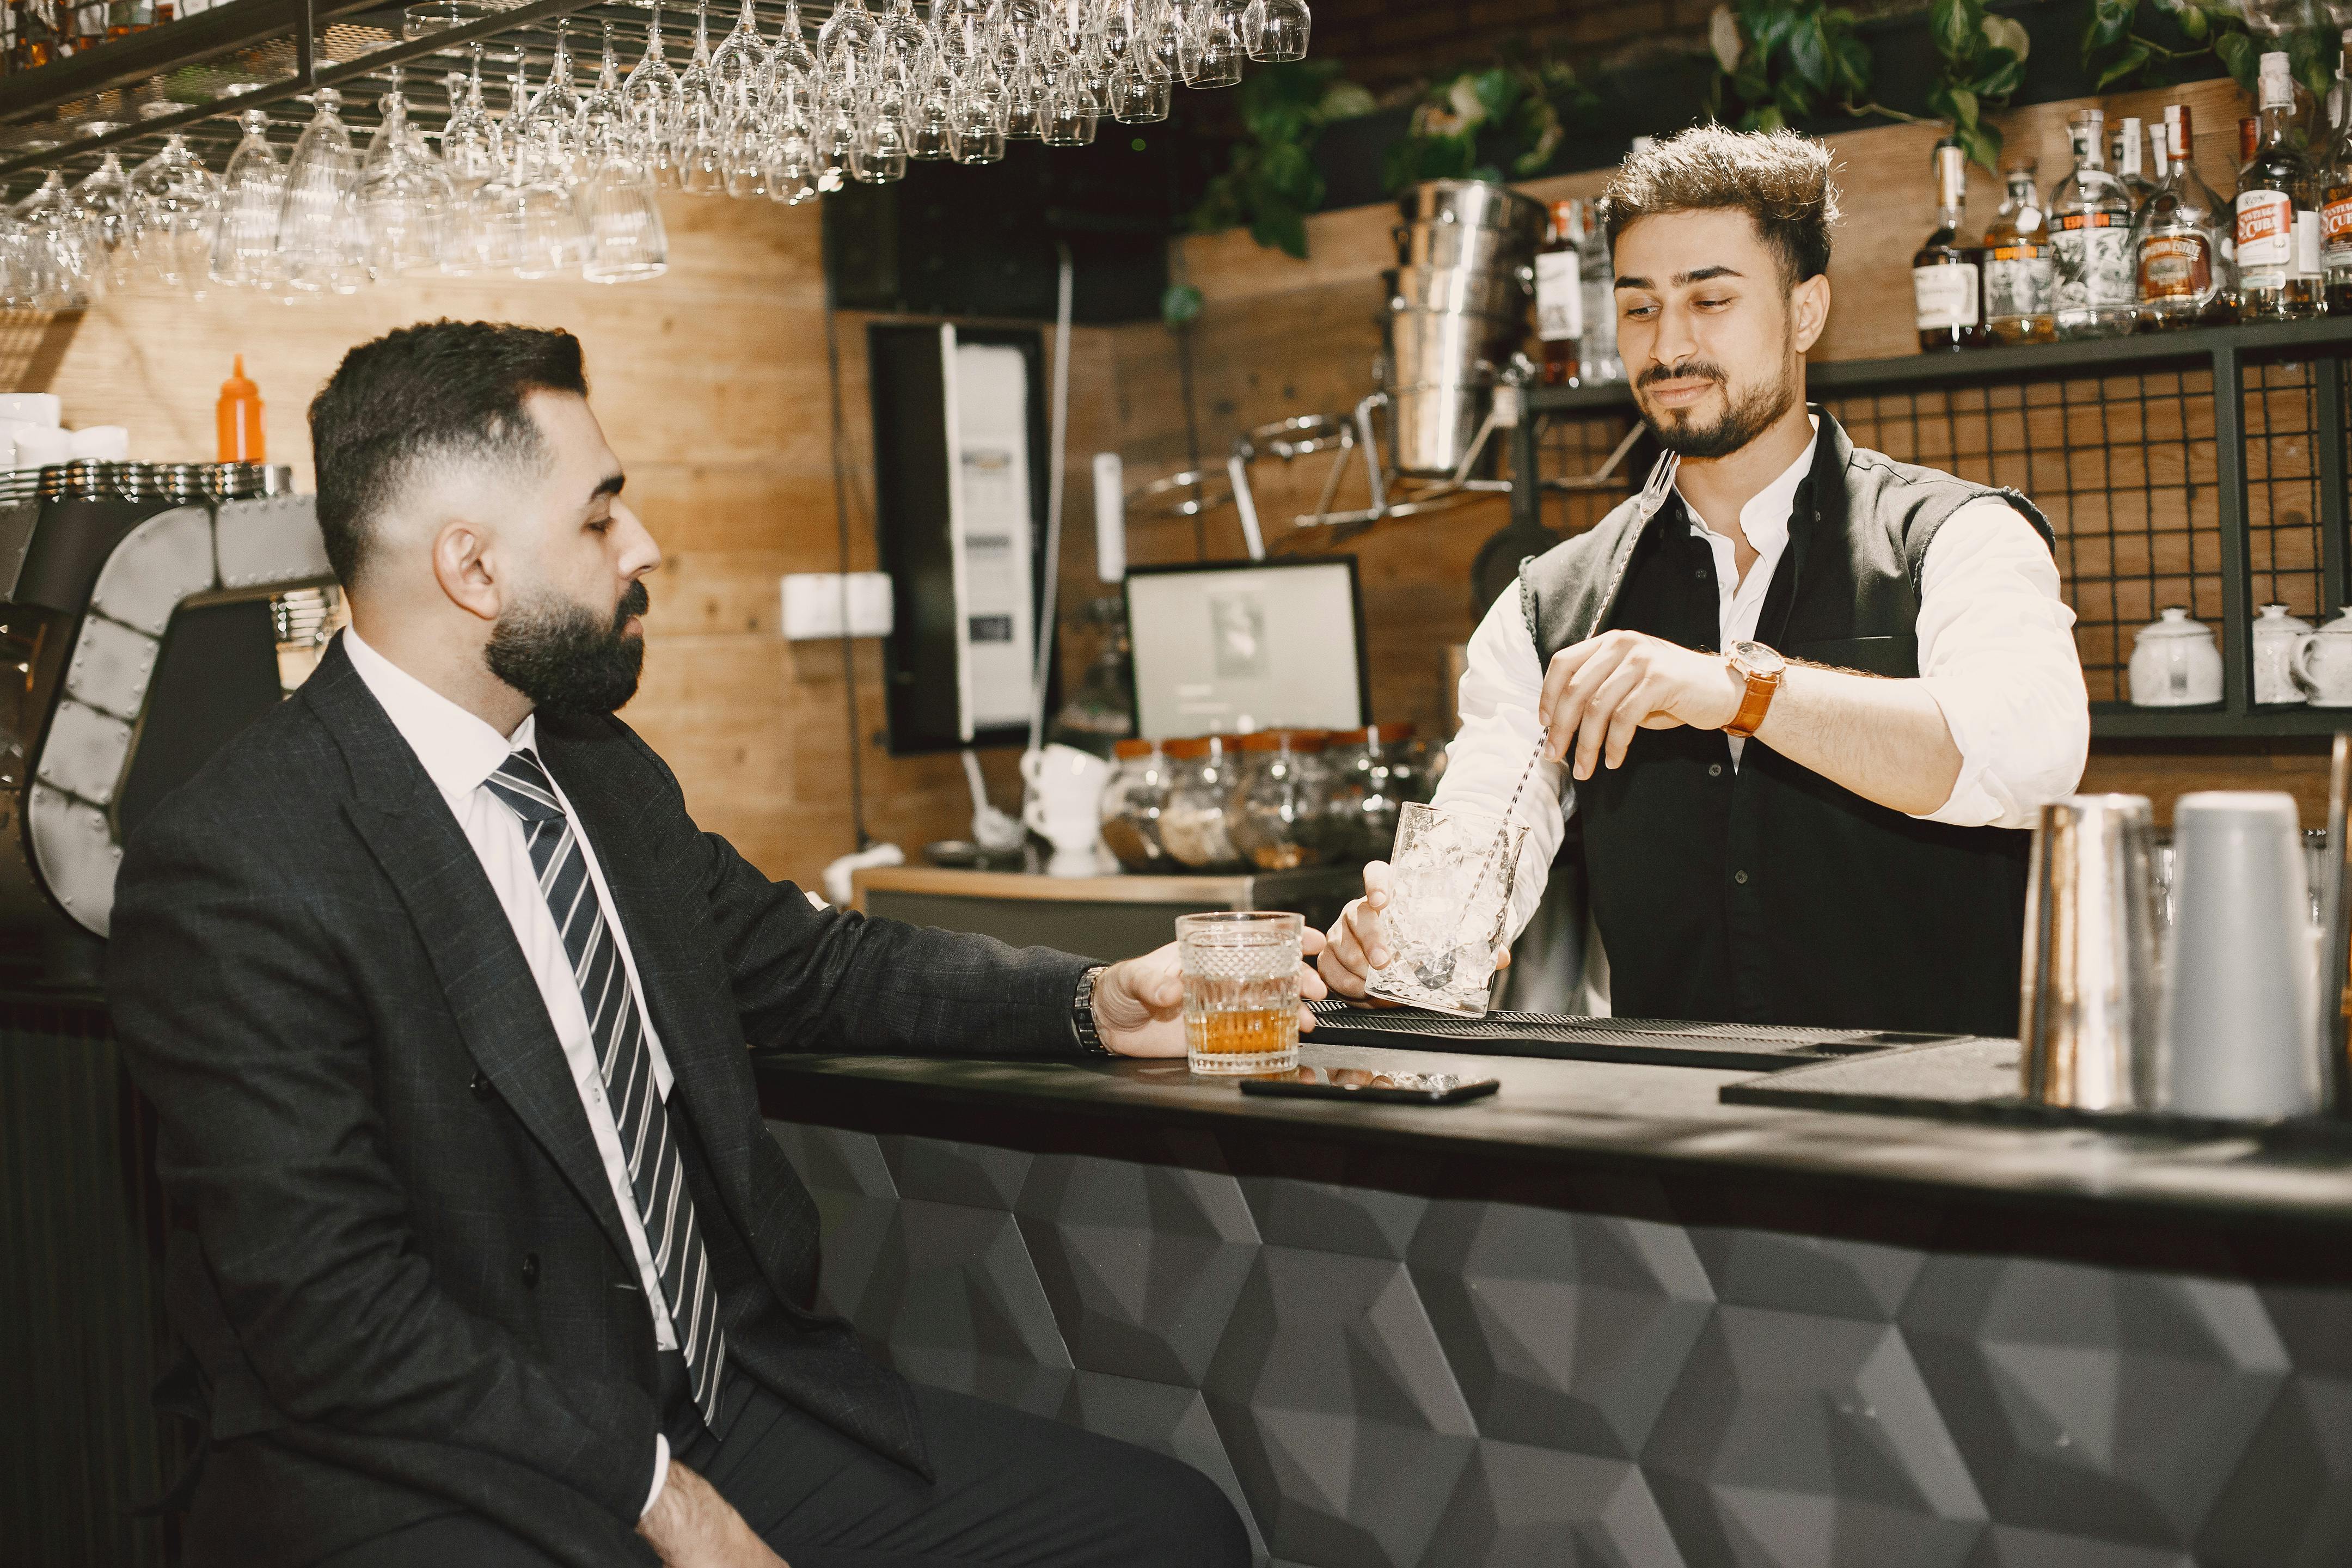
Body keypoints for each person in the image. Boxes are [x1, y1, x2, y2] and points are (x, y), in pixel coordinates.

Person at [106, 321, 1320, 1568]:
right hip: (433, 1471)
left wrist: (1090, 1005)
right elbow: (336, 1320)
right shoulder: (236, 866)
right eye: (598, 518)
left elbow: (811, 964)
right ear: (472, 568)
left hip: (719, 1406)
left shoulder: (598, 771)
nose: (645, 548)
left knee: (1167, 1532)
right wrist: (662, 1499)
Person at [1321, 127, 2088, 1036]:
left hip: (1936, 1135)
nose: (1670, 345)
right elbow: (1485, 838)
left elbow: (2030, 759)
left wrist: (1736, 689)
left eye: (1711, 300)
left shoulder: (1956, 537)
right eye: (1640, 308)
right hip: (1675, 1141)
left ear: (1806, 313)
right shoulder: (1552, 605)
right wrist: (1399, 942)